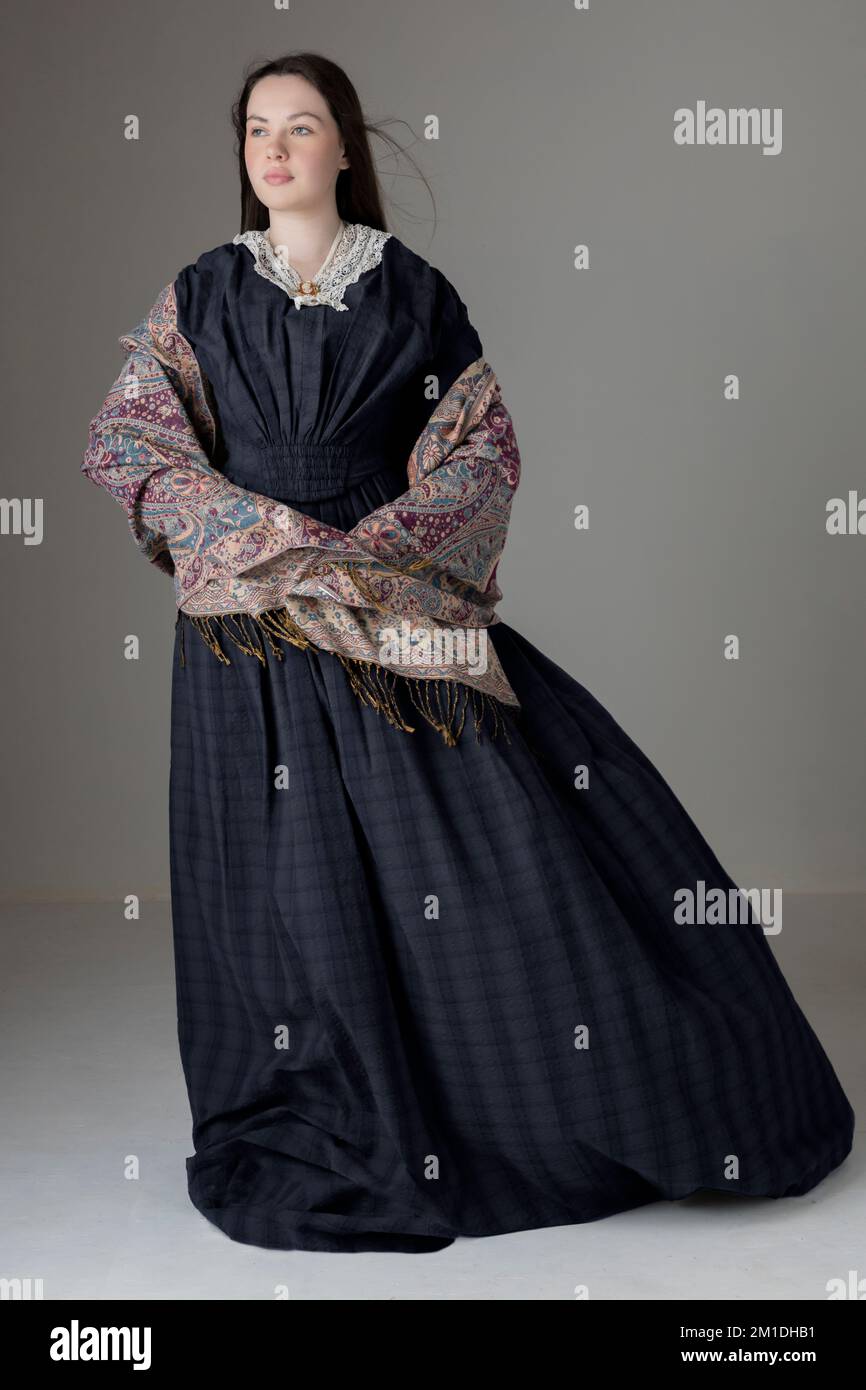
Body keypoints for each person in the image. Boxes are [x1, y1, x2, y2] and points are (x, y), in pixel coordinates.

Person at [81, 52, 855, 1254]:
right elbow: (130, 441)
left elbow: (479, 461)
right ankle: (317, 1107)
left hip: (390, 625)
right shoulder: (199, 296)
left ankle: (544, 1104)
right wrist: (267, 543)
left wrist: (358, 565)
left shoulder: (415, 298)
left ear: (348, 147)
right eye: (255, 130)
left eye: (302, 127)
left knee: (496, 887)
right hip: (241, 640)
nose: (275, 149)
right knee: (272, 903)